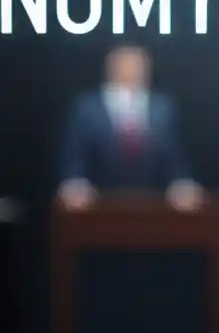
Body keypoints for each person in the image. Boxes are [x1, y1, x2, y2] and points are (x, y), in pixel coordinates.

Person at [58, 43, 205, 211]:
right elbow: (74, 154)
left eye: (139, 65)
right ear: (111, 67)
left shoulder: (163, 107)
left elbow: (175, 154)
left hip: (154, 204)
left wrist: (182, 183)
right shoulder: (87, 107)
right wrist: (75, 183)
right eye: (127, 64)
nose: (133, 70)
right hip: (98, 203)